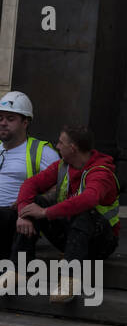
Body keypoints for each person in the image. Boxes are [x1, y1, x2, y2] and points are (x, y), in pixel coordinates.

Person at [11, 125, 120, 302]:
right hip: (73, 238)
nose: (57, 146)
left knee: (84, 212)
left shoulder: (101, 172)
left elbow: (89, 199)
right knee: (35, 204)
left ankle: (70, 279)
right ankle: (19, 269)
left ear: (73, 148)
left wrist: (46, 212)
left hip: (99, 242)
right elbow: (30, 184)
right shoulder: (63, 166)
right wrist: (24, 213)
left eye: (61, 142)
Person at [0, 91, 58, 256]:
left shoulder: (42, 152)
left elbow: (59, 188)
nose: (3, 123)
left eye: (10, 119)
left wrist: (28, 206)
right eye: (0, 118)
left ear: (25, 122)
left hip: (14, 217)